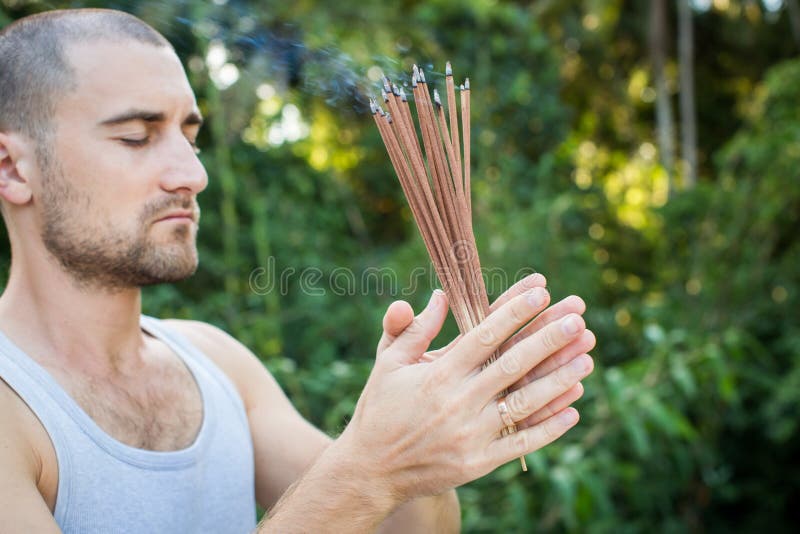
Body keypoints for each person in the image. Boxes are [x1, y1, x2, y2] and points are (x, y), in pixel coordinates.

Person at [0, 8, 596, 533]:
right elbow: (357, 486)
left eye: (190, 136)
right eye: (136, 137)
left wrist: (422, 441)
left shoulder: (218, 364)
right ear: (12, 168)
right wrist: (370, 467)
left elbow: (406, 531)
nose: (192, 174)